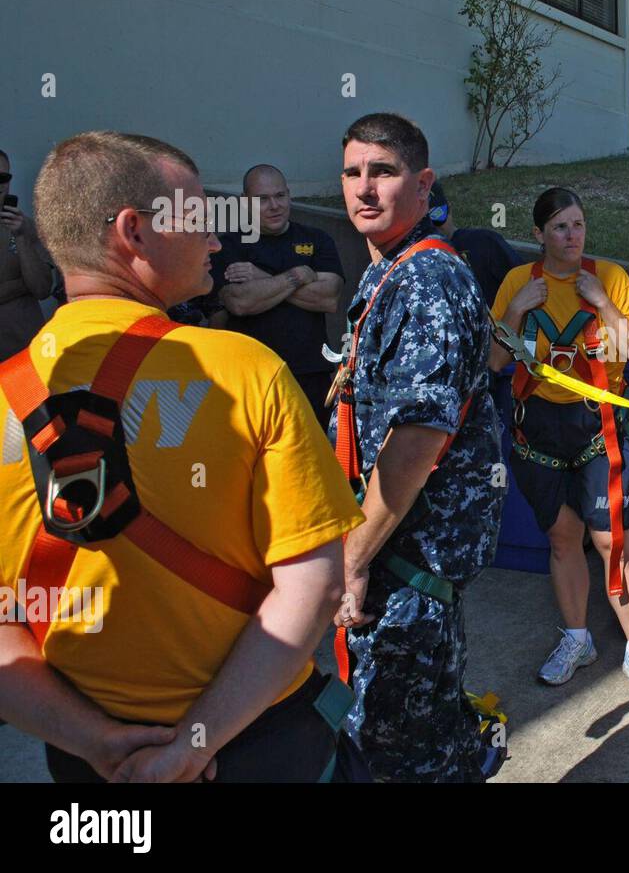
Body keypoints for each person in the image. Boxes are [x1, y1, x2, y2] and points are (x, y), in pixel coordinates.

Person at [0, 131, 363, 782]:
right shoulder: (244, 370)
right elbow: (314, 586)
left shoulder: (4, 395)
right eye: (196, 218)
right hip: (257, 744)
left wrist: (100, 744)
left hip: (88, 760)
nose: (216, 241)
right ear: (134, 233)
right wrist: (192, 745)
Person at [332, 112, 506, 782]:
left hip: (407, 557)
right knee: (425, 735)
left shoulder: (427, 280)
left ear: (424, 183)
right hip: (399, 549)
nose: (364, 189)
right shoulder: (393, 272)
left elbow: (417, 440)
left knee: (392, 749)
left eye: (384, 172)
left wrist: (352, 559)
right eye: (352, 172)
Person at [488, 187, 629, 700]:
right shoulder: (517, 283)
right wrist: (516, 314)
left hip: (598, 429)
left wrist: (603, 304)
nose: (572, 236)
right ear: (539, 235)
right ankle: (577, 639)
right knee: (563, 539)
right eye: (560, 227)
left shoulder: (607, 277)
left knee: (613, 539)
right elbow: (495, 363)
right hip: (538, 430)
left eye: (578, 224)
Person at [212, 164, 345, 429]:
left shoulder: (317, 240)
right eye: (262, 199)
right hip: (250, 376)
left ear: (288, 195)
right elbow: (240, 302)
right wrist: (297, 275)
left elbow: (328, 298)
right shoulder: (228, 246)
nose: (274, 205)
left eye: (280, 196)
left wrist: (259, 278)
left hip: (310, 375)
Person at [428, 180, 521, 308]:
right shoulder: (412, 261)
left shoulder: (483, 242)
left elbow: (524, 283)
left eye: (438, 217)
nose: (434, 228)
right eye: (425, 222)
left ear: (449, 209)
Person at [0, 148, 56, 360]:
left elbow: (42, 288)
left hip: (24, 355)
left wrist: (21, 237)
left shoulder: (26, 227)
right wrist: (19, 286)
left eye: (2, 178)